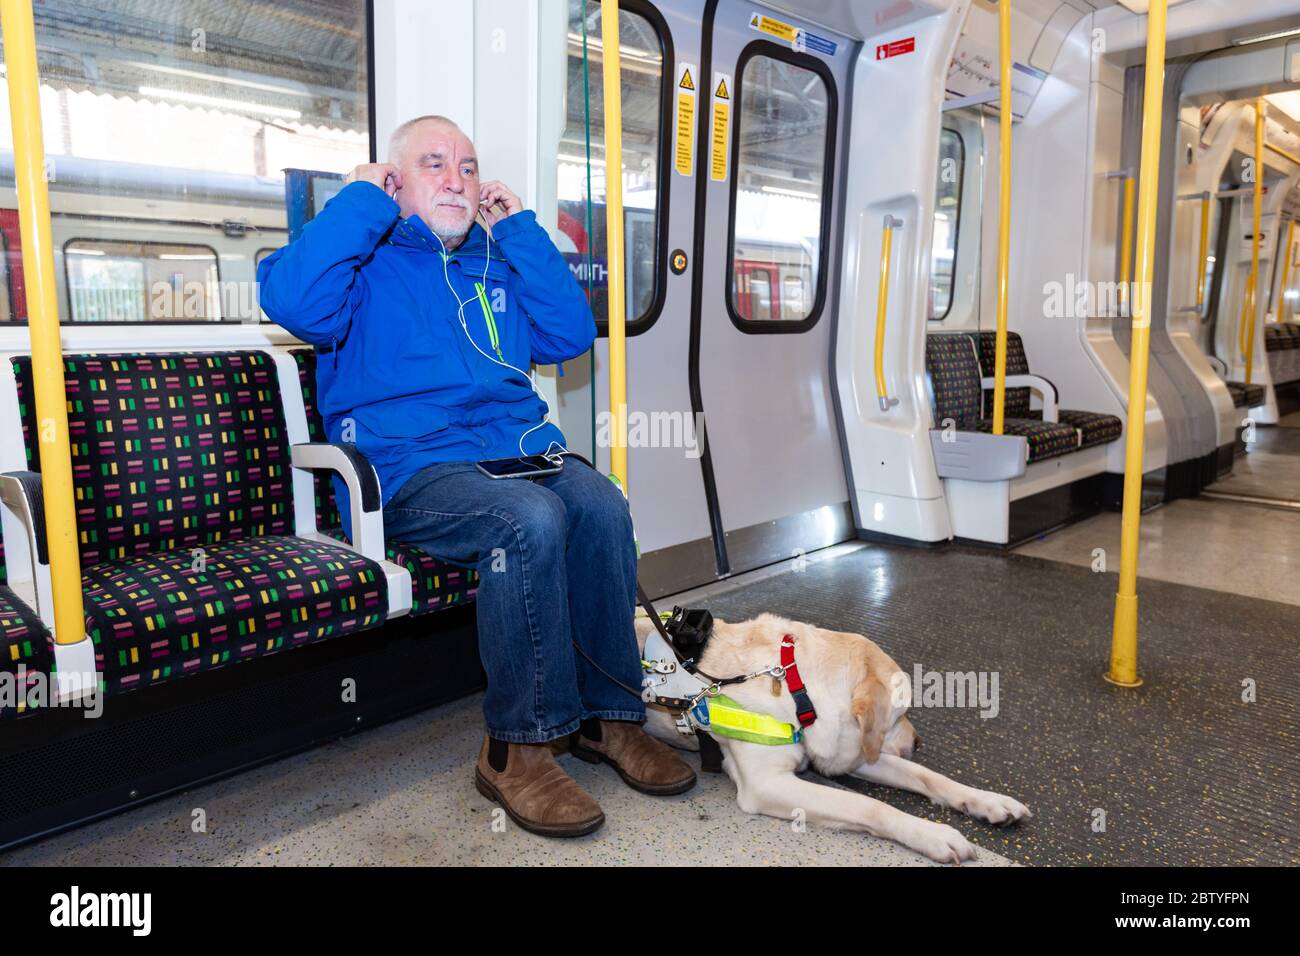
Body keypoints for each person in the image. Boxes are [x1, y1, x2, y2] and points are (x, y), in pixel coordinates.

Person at [258, 115, 694, 838]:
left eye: (467, 166)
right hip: (409, 470)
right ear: (393, 181)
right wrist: (363, 201)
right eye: (433, 165)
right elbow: (293, 303)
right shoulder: (362, 260)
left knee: (600, 504)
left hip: (511, 455)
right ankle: (517, 749)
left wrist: (521, 227)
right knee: (527, 521)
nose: (456, 179)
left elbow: (566, 336)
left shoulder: (492, 260)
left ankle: (608, 718)